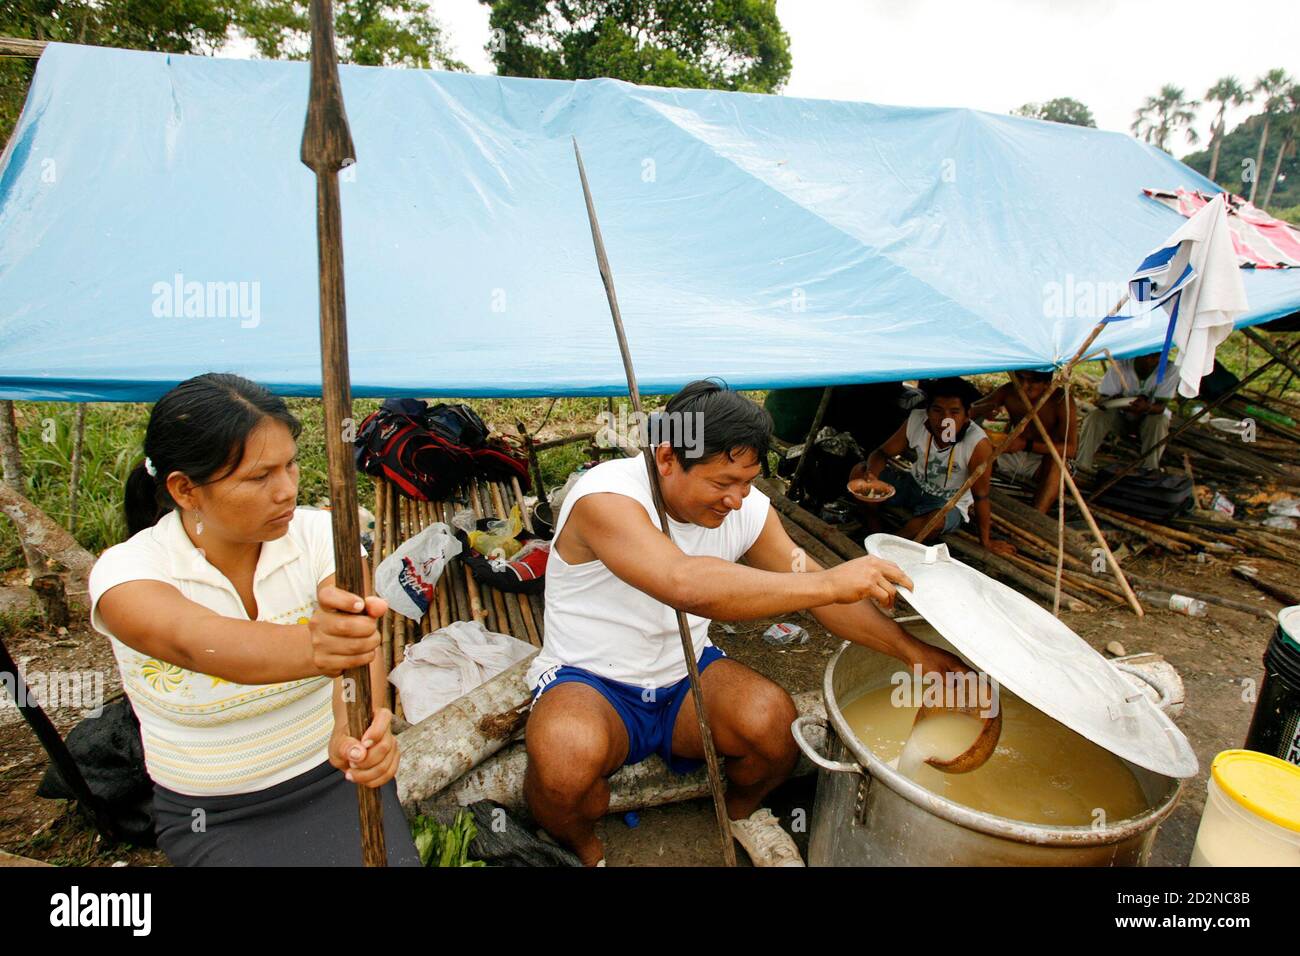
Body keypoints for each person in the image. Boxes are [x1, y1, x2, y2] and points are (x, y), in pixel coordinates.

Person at [523, 380, 972, 867]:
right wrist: (831, 584)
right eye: (721, 484)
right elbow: (685, 582)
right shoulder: (606, 496)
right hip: (590, 681)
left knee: (775, 727)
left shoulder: (747, 508)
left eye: (749, 482)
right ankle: (587, 852)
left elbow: (816, 587)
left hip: (686, 675)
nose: (737, 500)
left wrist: (915, 653)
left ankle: (740, 815)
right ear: (667, 458)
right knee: (563, 764)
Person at [88, 373, 418, 866]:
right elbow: (195, 643)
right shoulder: (128, 573)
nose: (286, 490)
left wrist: (358, 729)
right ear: (184, 489)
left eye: (290, 466)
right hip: (214, 813)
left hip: (336, 778)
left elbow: (356, 642)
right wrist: (320, 647)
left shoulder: (320, 535)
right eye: (259, 477)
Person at [846, 378, 1015, 556]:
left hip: (946, 502)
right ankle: (874, 530)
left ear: (967, 415)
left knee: (934, 521)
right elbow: (881, 453)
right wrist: (871, 476)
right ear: (927, 410)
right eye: (937, 410)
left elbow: (981, 496)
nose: (945, 420)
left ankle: (885, 548)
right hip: (912, 484)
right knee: (859, 472)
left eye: (954, 412)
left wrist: (986, 541)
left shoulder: (977, 444)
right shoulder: (917, 420)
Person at [971, 370, 1078, 513]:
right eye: (1020, 378)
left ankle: (1036, 516)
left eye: (1033, 381)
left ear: (1047, 384)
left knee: (1058, 465)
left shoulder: (1061, 400)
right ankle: (972, 502)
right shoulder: (1009, 390)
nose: (1024, 385)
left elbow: (1070, 449)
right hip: (1011, 452)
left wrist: (1026, 445)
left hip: (1042, 460)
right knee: (977, 448)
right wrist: (985, 409)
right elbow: (968, 411)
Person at [1075, 352, 1180, 473]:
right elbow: (1102, 400)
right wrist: (1121, 402)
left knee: (1160, 420)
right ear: (1139, 354)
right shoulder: (1121, 365)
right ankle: (1082, 465)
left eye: (1158, 356)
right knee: (1096, 416)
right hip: (1120, 417)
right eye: (1149, 355)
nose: (1153, 360)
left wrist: (1146, 407)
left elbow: (1161, 406)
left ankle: (1149, 470)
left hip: (1146, 422)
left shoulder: (1169, 369)